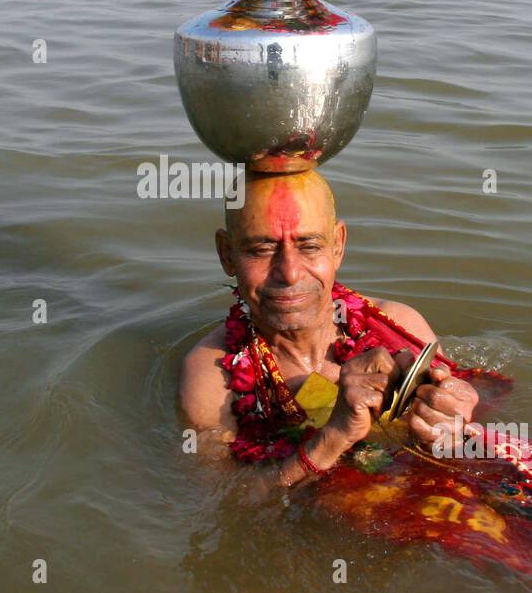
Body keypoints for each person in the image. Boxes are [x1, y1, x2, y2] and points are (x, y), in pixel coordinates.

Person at [179, 170, 480, 488]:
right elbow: (231, 505)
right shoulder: (212, 380)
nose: (290, 274)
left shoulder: (400, 325)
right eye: (261, 249)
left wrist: (449, 419)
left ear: (338, 245)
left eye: (309, 246)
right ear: (227, 254)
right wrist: (334, 436)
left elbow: (455, 445)